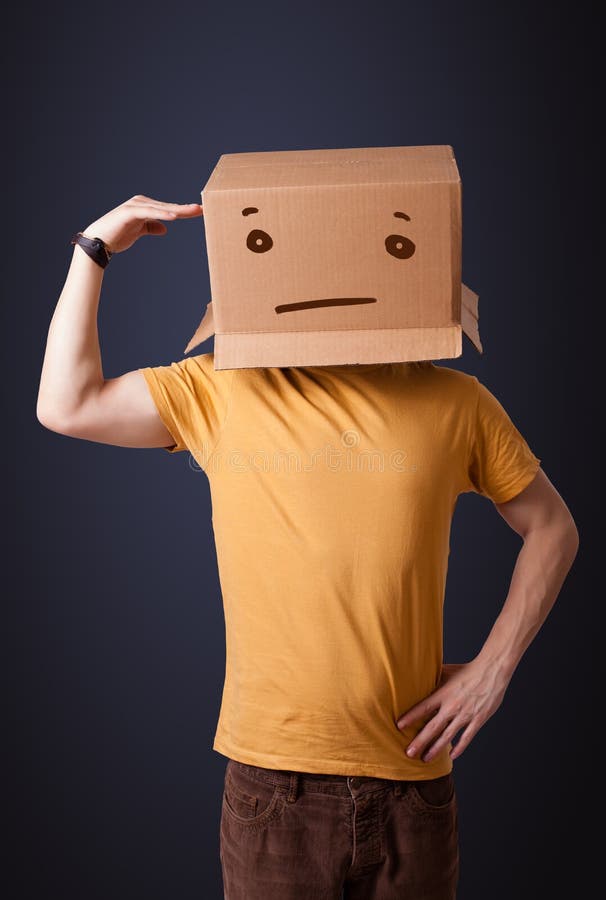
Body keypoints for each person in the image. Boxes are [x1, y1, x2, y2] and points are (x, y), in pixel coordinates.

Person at [36, 195, 579, 900]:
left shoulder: (457, 402)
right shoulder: (220, 388)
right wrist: (94, 249)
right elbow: (66, 404)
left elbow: (553, 527)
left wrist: (495, 668)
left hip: (413, 790)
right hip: (272, 793)